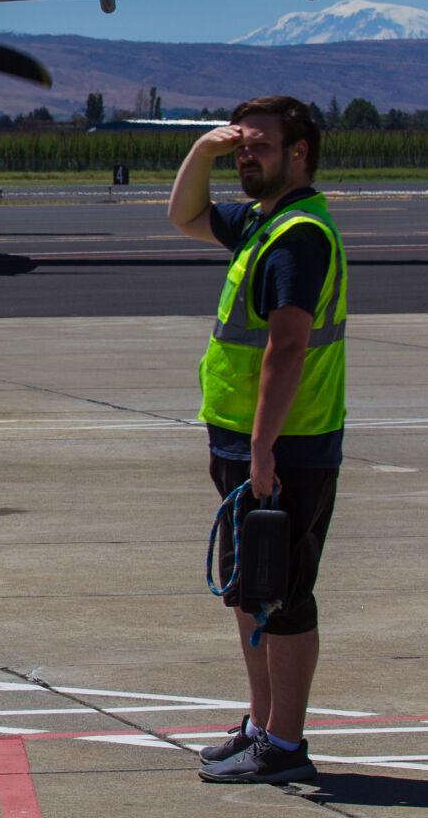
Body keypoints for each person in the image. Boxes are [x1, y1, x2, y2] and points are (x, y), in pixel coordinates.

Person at [167, 95, 346, 786]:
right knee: (250, 589)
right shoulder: (260, 223)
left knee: (285, 593)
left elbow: (288, 344)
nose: (245, 156)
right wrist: (201, 151)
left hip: (284, 445)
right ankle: (260, 723)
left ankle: (286, 740)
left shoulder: (296, 234)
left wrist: (264, 450)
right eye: (240, 146)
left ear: (298, 152)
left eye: (258, 145)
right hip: (243, 442)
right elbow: (183, 215)